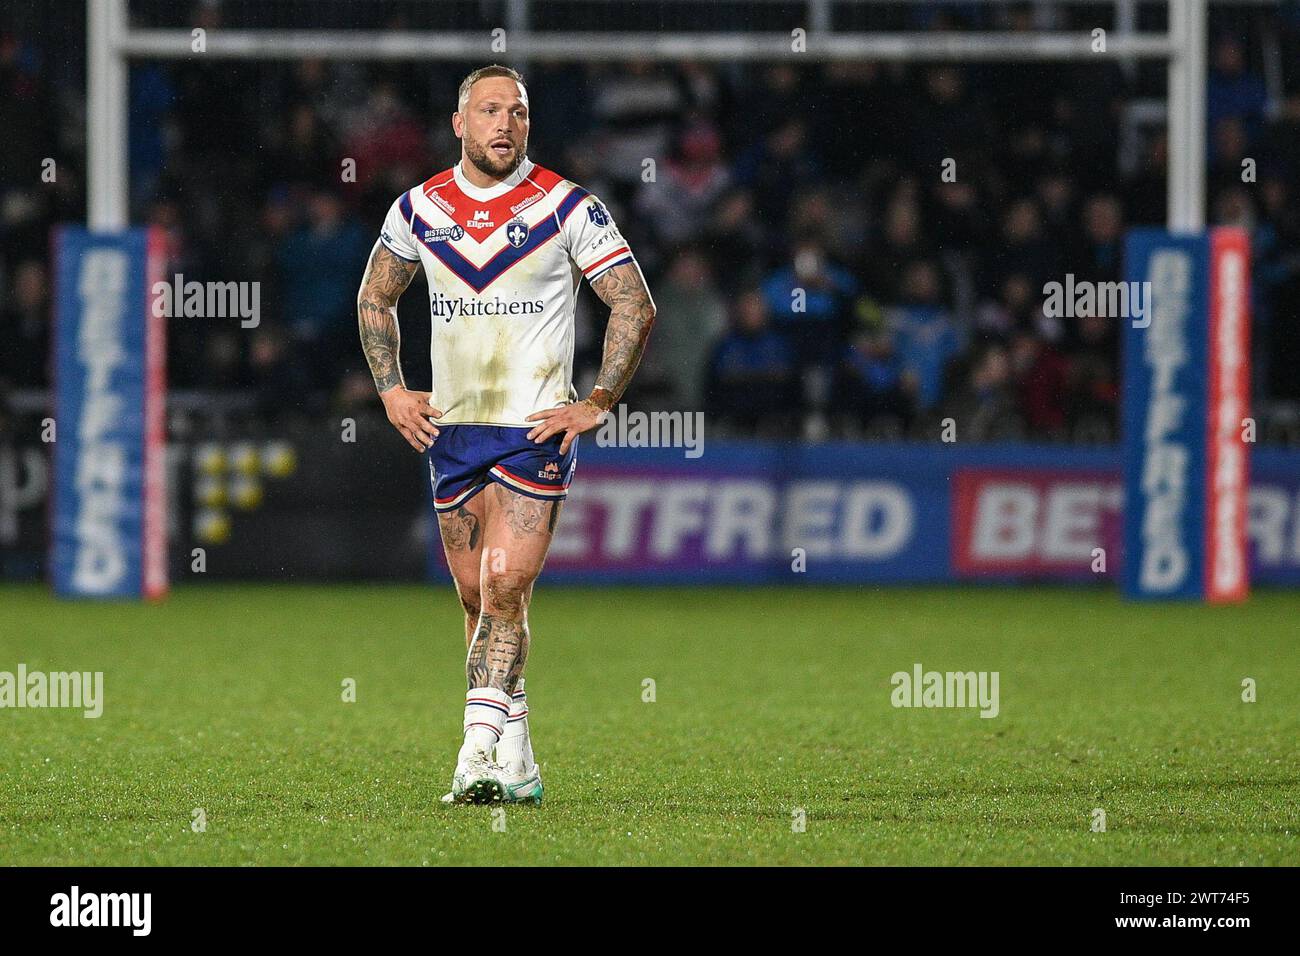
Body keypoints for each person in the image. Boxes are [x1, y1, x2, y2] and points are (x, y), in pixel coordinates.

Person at [355, 65, 656, 804]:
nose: (505, 124)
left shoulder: (565, 206)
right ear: (459, 123)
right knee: (475, 598)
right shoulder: (418, 209)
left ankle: (475, 753)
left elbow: (633, 304)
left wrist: (597, 401)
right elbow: (375, 296)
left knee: (506, 585)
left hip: (534, 430)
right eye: (489, 110)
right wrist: (391, 389)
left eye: (517, 112)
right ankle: (518, 762)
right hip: (451, 430)